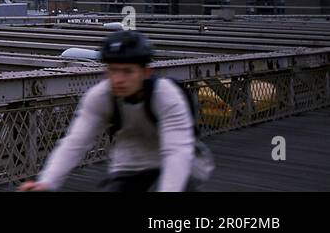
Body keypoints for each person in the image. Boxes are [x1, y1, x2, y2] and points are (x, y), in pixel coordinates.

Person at [18, 30, 213, 192]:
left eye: (127, 71)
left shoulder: (166, 95)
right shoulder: (100, 96)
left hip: (183, 164)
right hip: (129, 163)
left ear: (146, 73)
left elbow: (177, 151)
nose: (118, 79)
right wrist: (46, 182)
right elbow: (75, 143)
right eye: (113, 70)